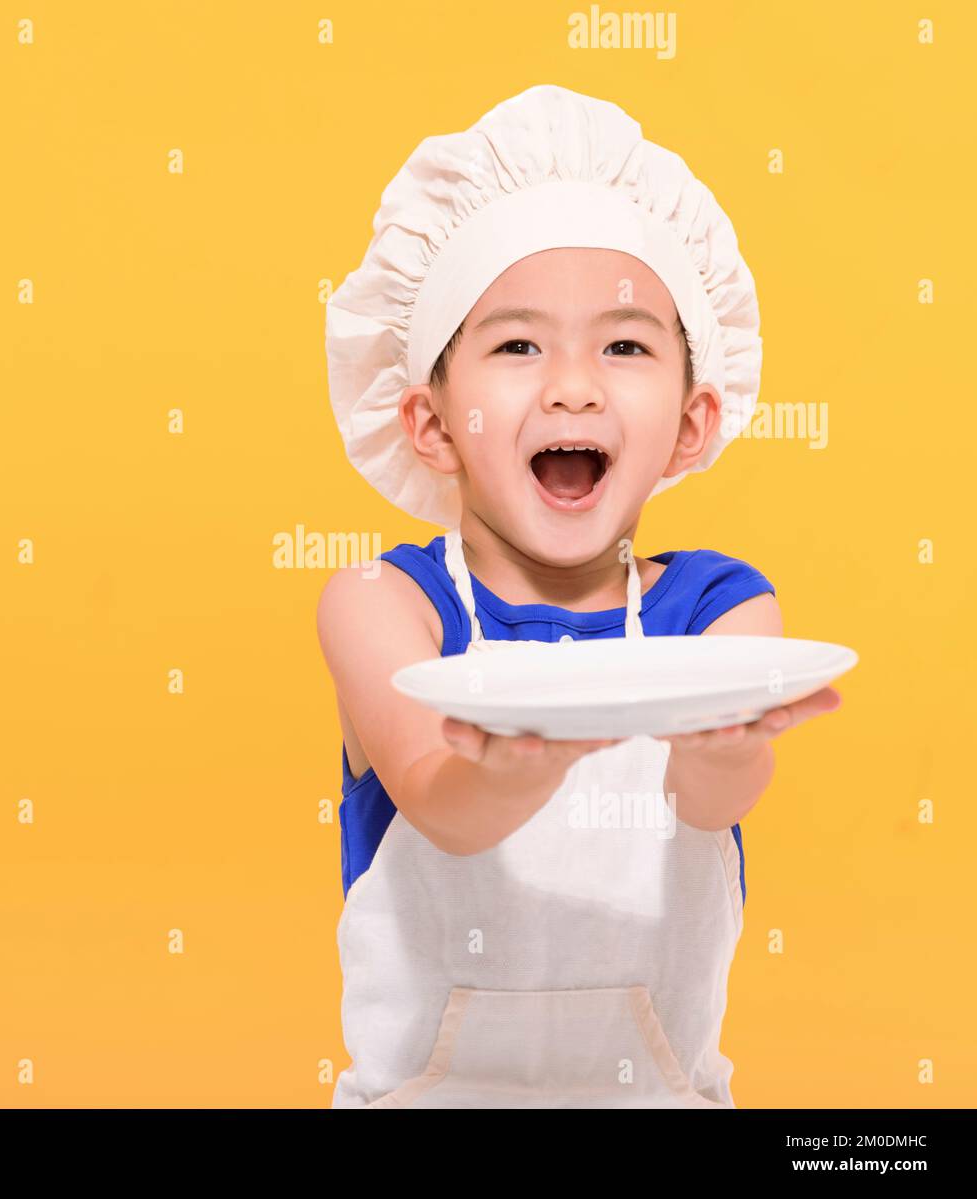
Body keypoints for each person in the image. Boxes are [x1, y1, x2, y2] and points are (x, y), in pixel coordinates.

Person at [317, 84, 842, 1109]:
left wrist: (726, 740)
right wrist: (521, 757)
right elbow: (441, 801)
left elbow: (713, 801)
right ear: (429, 421)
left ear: (691, 423)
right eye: (517, 345)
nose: (572, 387)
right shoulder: (387, 602)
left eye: (625, 344)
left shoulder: (720, 609)